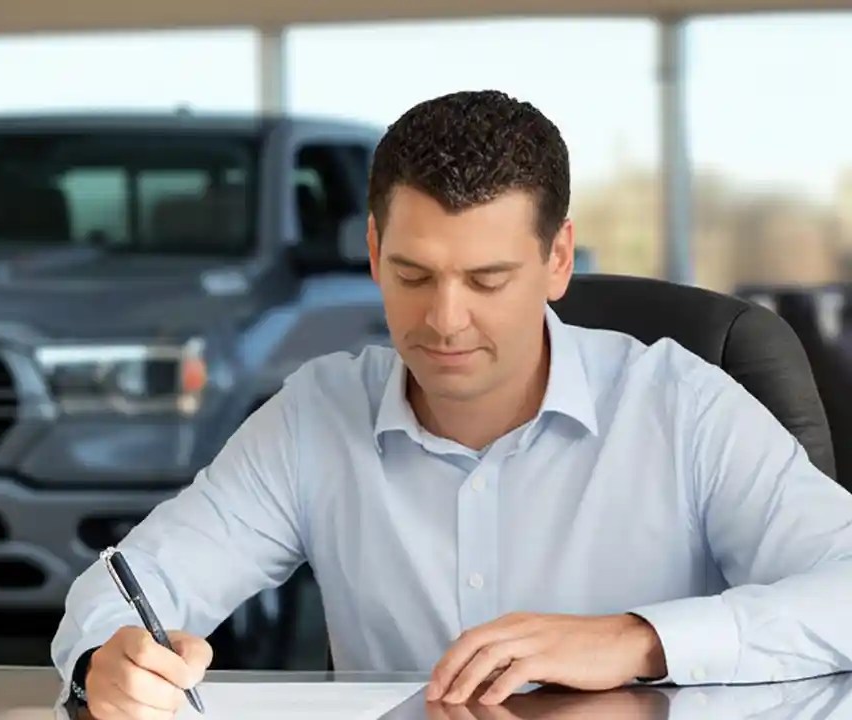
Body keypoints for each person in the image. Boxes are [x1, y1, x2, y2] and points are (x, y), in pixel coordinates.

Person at [50, 90, 852, 718]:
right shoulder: (315, 416)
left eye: (488, 280)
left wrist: (637, 640)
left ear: (558, 259)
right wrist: (106, 662)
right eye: (413, 274)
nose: (443, 320)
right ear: (372, 251)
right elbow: (128, 590)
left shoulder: (682, 404)